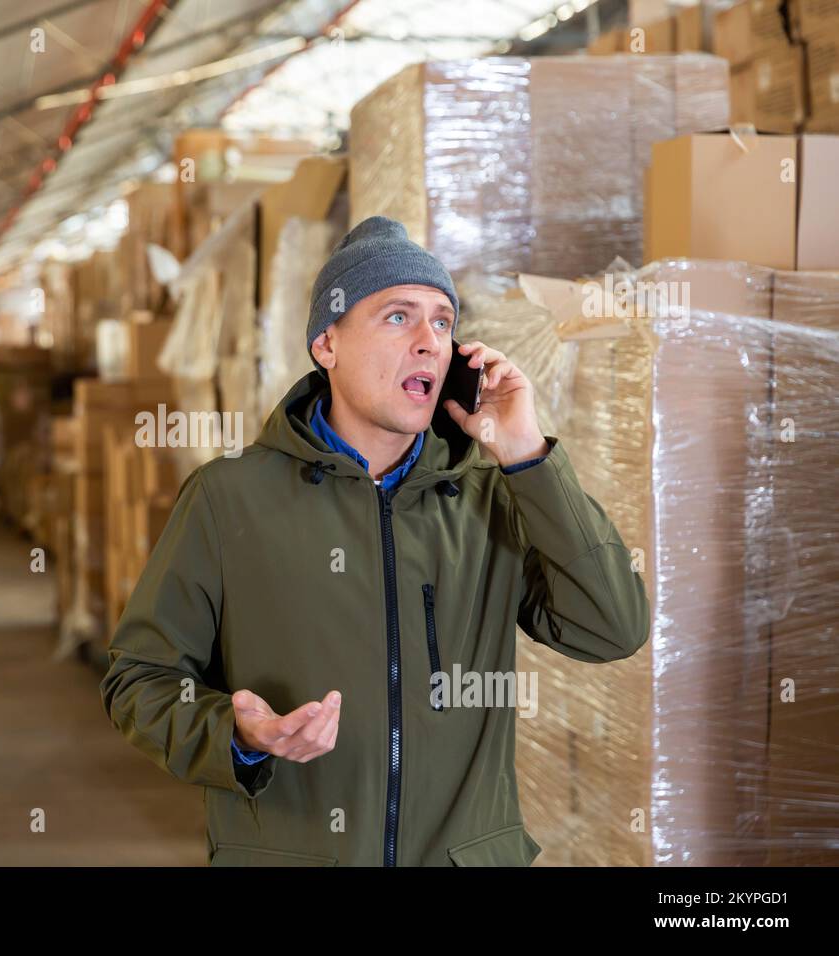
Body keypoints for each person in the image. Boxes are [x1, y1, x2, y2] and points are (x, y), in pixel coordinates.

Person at [99, 216, 649, 866]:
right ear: (326, 344)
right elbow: (140, 679)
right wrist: (237, 734)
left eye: (443, 321)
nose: (429, 342)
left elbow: (612, 628)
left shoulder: (492, 495)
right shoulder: (228, 498)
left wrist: (526, 453)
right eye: (397, 316)